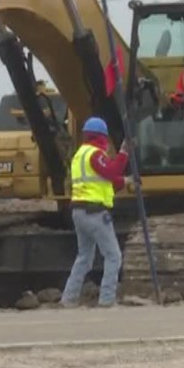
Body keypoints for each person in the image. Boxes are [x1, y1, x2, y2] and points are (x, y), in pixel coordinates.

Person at [60, 116, 129, 308]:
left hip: (79, 212)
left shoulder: (79, 155)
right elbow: (112, 172)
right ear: (102, 137)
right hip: (95, 213)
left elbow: (104, 181)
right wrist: (124, 153)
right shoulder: (95, 154)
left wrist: (126, 182)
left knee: (84, 257)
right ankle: (107, 300)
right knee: (113, 255)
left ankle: (68, 299)